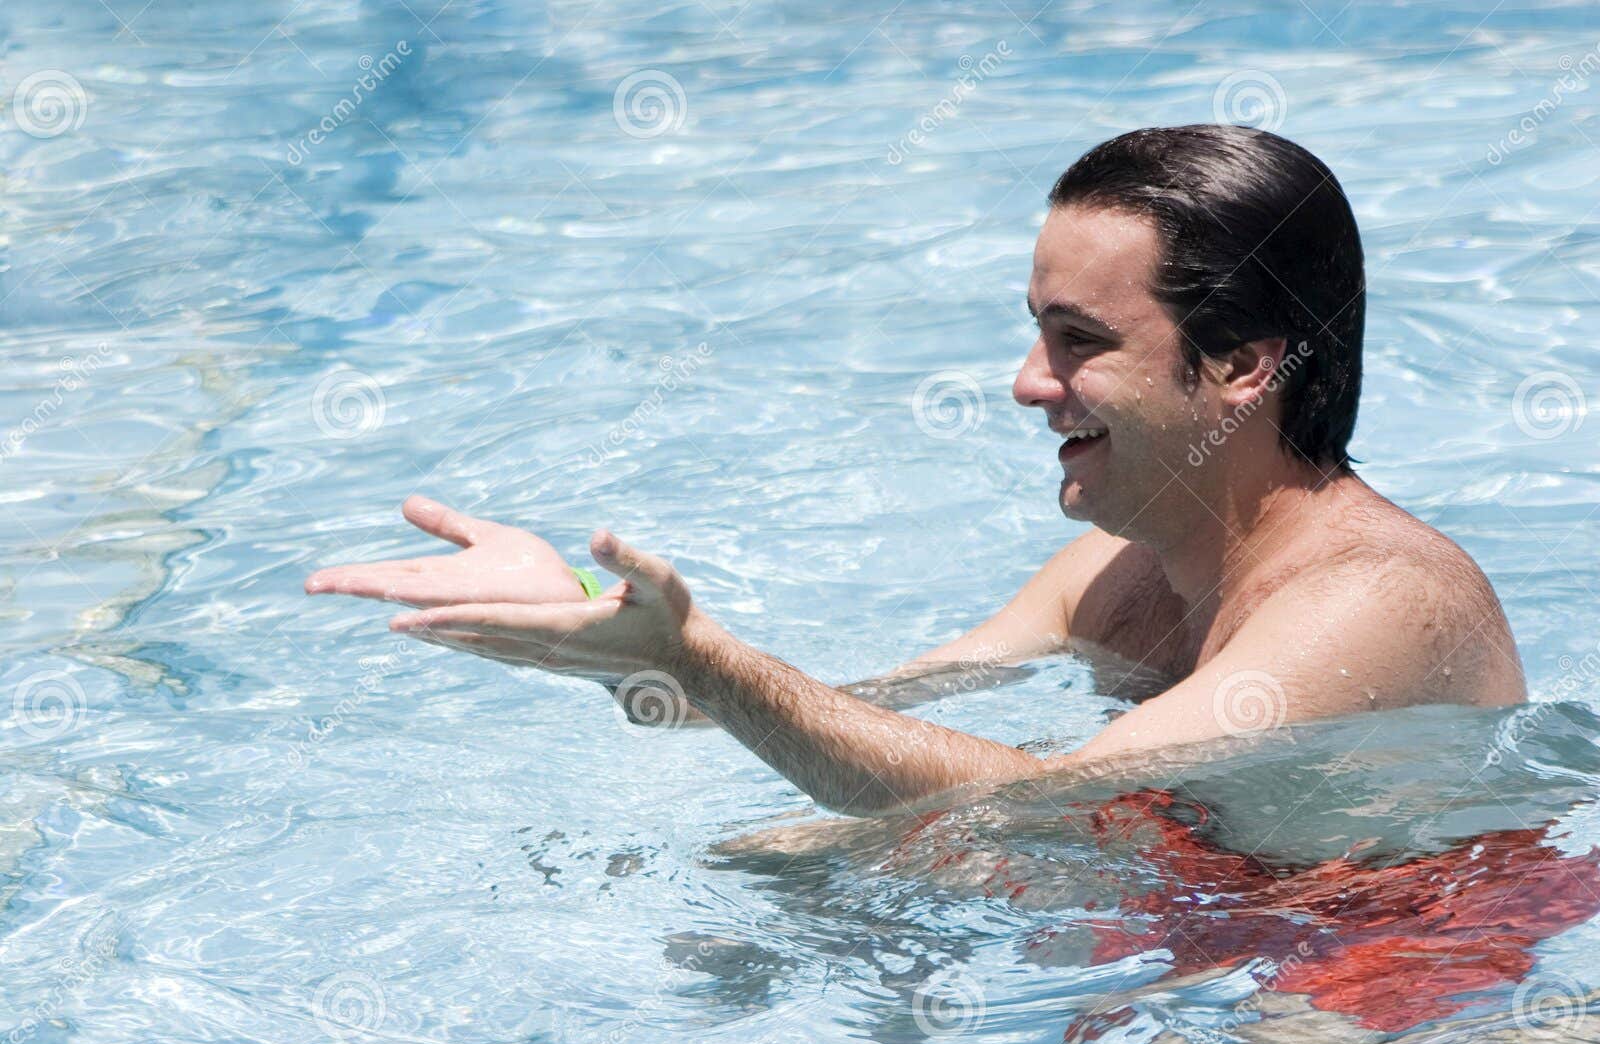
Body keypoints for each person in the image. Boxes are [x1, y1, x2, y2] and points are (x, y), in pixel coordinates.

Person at [305, 124, 1525, 818]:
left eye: (1079, 341)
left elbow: (1039, 801)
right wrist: (598, 628)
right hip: (1214, 908)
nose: (1025, 380)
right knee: (794, 867)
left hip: (1402, 984)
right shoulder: (1112, 573)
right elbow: (859, 719)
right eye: (1034, 328)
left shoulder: (1370, 598)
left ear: (1245, 367)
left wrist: (705, 659)